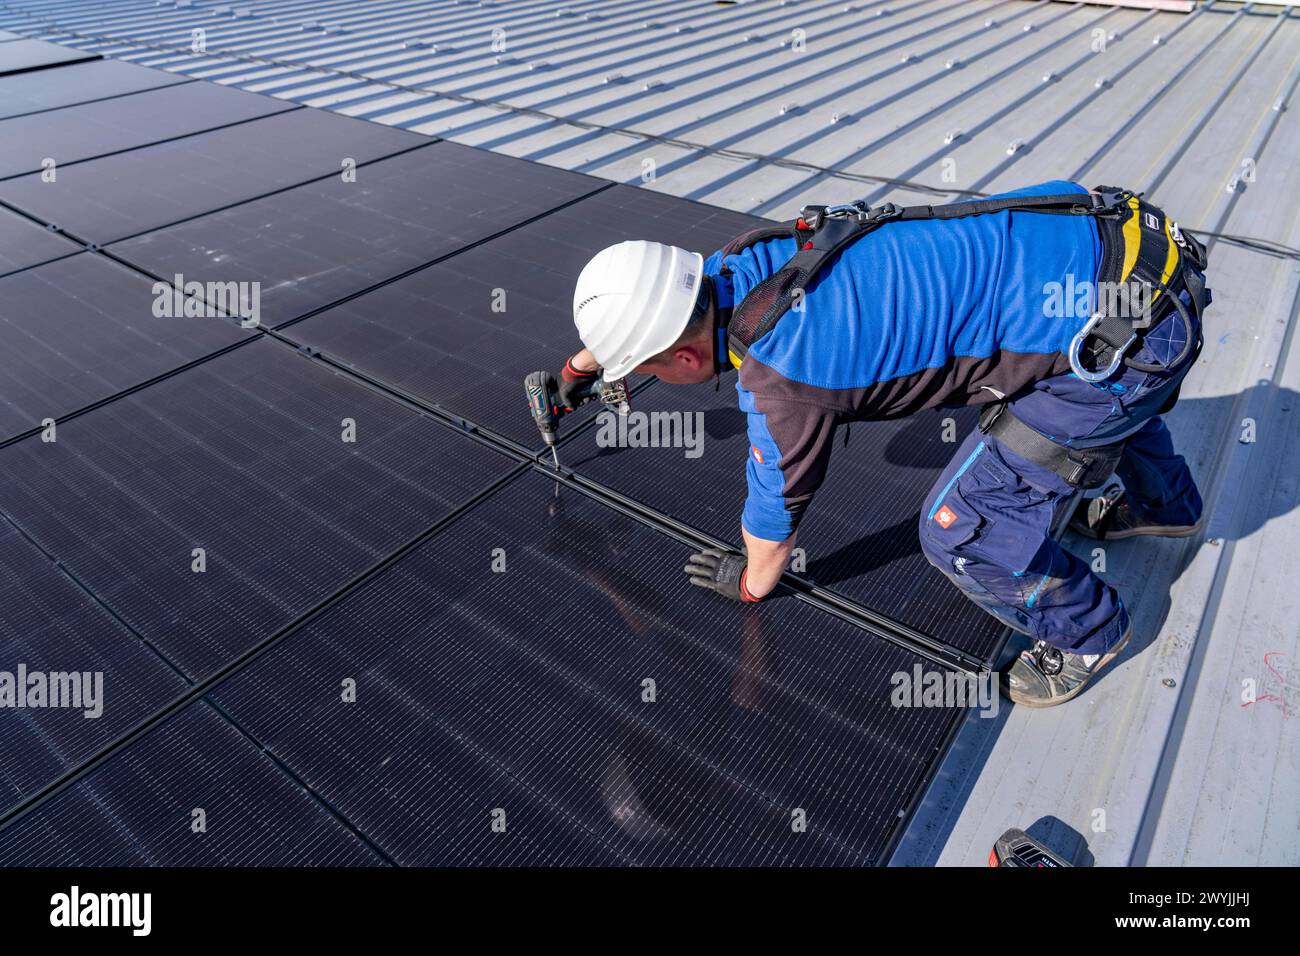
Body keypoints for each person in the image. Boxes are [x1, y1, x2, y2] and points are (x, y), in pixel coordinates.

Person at [556, 181, 1209, 707]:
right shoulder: (743, 261)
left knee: (960, 526)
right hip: (1133, 253)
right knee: (1085, 382)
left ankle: (1089, 630)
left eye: (648, 368)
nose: (647, 379)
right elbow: (651, 306)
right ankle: (1167, 509)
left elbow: (773, 530)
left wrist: (749, 586)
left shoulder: (784, 376)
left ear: (688, 356)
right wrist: (580, 370)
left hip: (1132, 338)